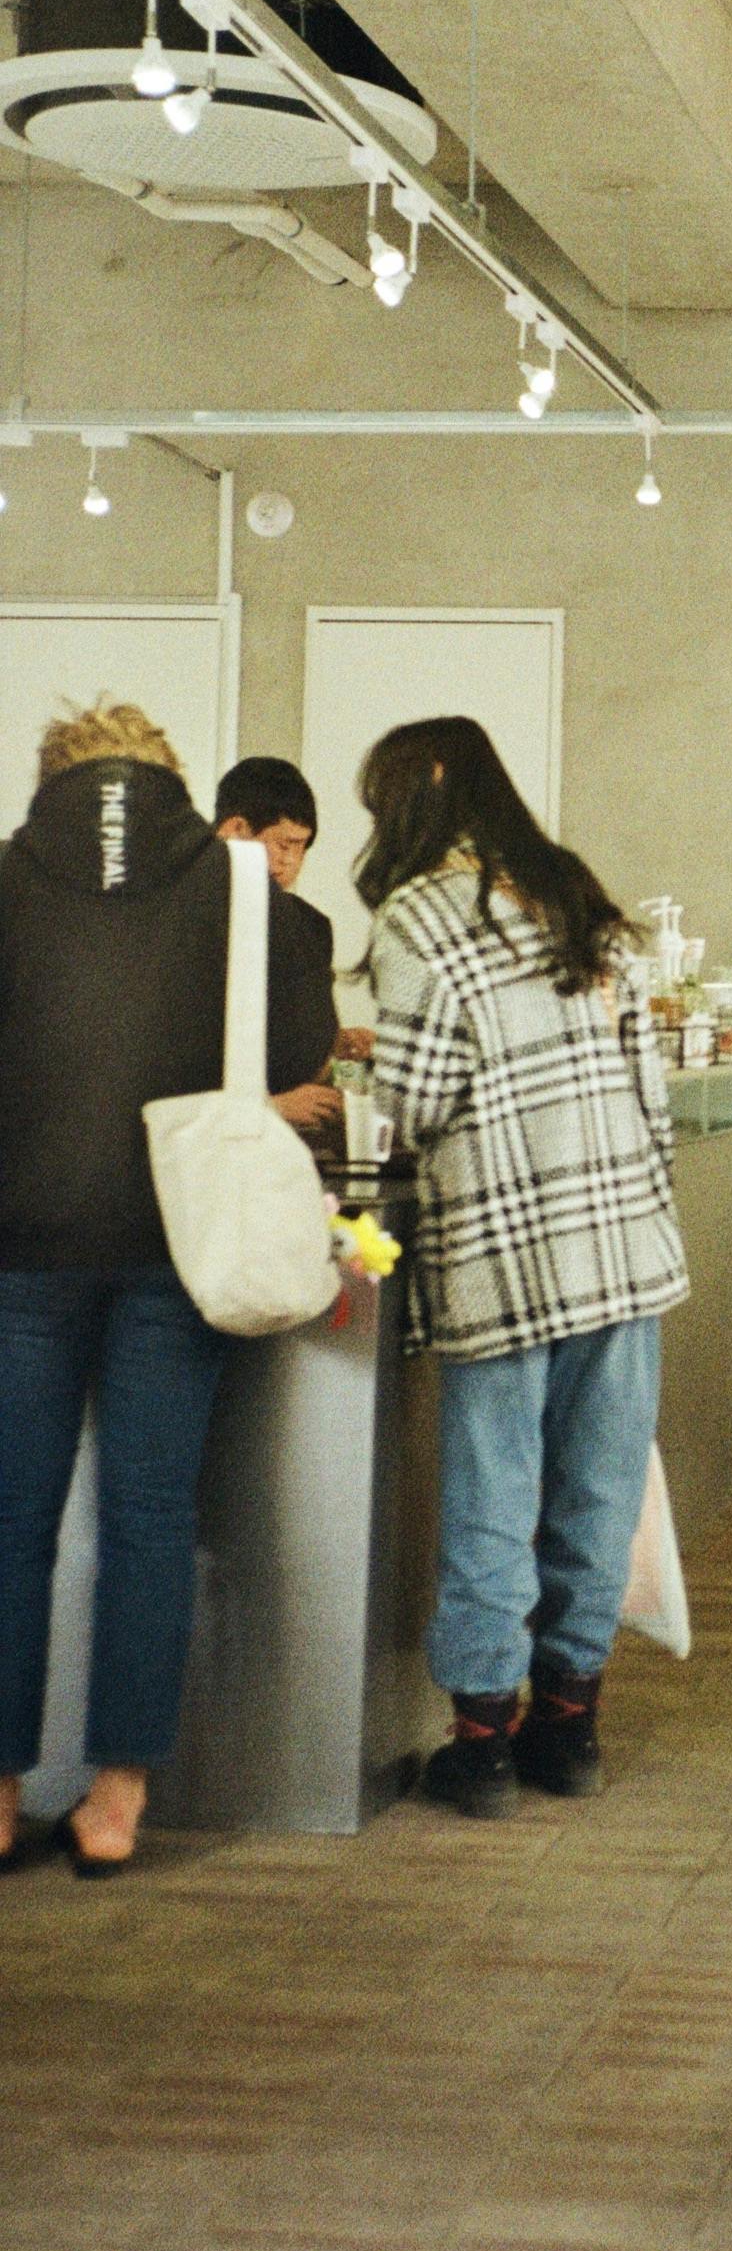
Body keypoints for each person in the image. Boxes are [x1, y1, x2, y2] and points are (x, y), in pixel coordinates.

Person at [0, 705, 339, 1871]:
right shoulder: (244, 887)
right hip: (175, 1242)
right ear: (178, 788)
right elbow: (300, 1046)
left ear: (52, 782)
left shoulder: (2, 876)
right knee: (148, 1521)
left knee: (8, 1522)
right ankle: (116, 1799)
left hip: (18, 1249)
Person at [359, 717, 688, 1819]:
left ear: (415, 801)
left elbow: (415, 1096)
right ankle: (571, 1733)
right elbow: (652, 1087)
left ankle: (485, 1745)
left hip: (503, 1246)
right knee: (598, 1491)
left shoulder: (419, 914)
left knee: (494, 1493)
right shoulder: (572, 892)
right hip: (624, 1244)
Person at [212, 755, 367, 1136]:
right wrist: (270, 1107)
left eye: (302, 848)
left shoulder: (312, 926)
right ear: (235, 830)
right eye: (283, 844)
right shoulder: (189, 921)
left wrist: (340, 1047)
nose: (291, 861)